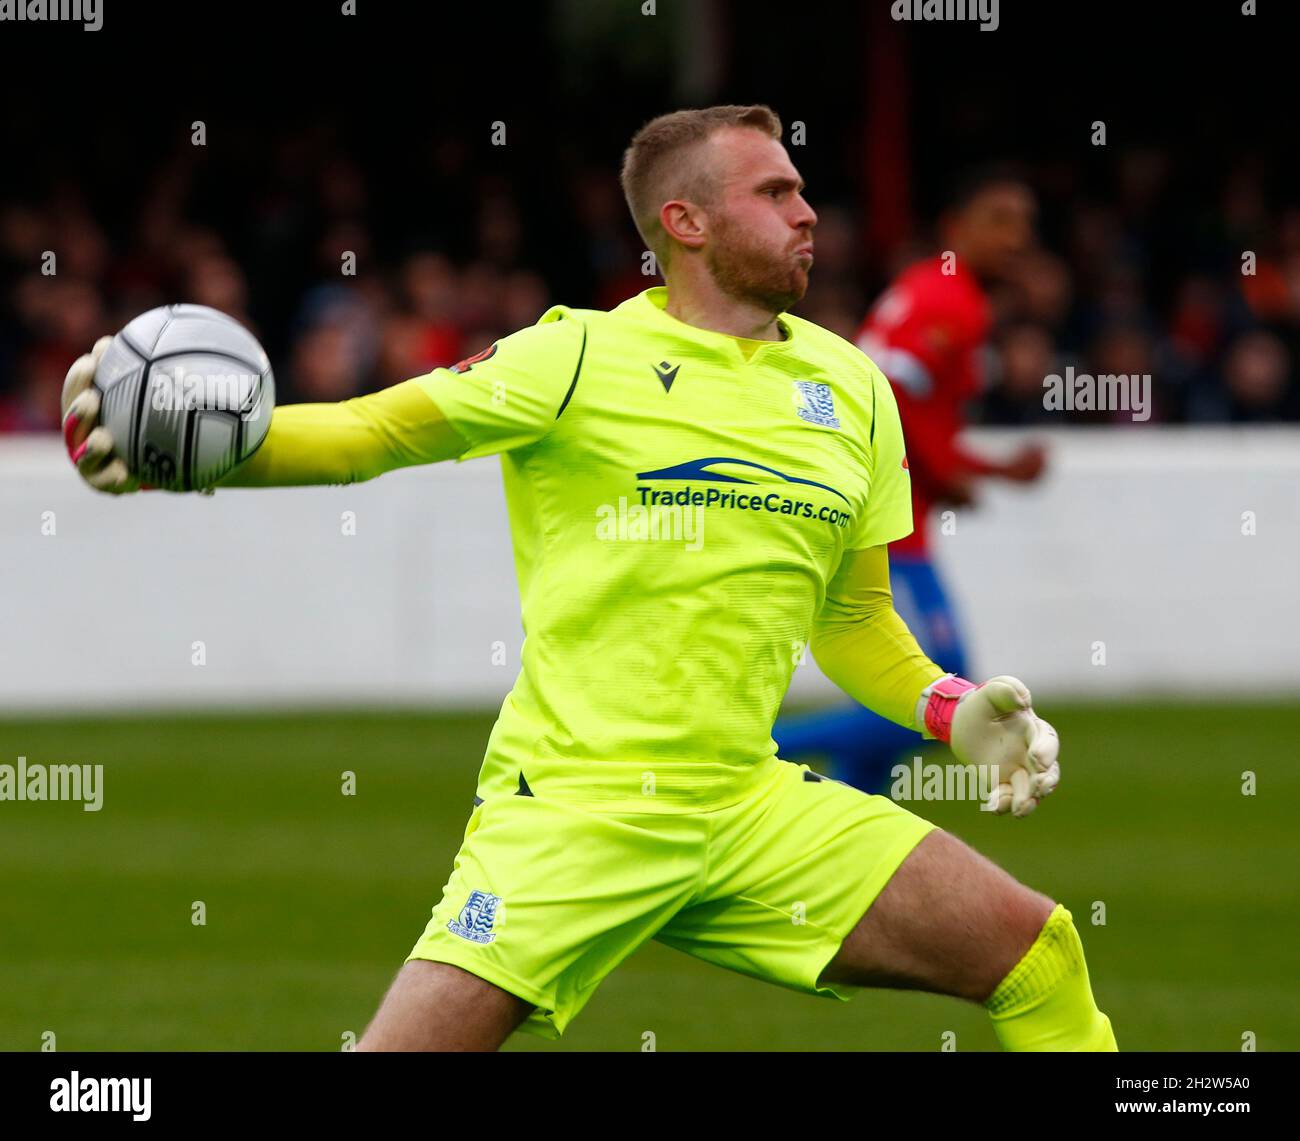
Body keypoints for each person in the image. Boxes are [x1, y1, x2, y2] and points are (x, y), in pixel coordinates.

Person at [61, 106, 1111, 1051]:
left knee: (1038, 954)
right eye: (774, 191)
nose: (807, 212)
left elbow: (855, 623)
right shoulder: (573, 356)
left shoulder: (851, 388)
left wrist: (952, 708)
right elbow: (366, 433)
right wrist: (183, 453)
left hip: (748, 809)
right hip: (573, 812)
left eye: (801, 189)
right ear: (685, 222)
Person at [775, 170, 1049, 792]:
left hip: (884, 505)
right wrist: (954, 472)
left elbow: (909, 409)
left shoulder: (932, 291)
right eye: (999, 219)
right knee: (946, 683)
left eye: (1024, 223)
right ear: (955, 229)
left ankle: (859, 820)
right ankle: (767, 748)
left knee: (904, 683)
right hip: (884, 515)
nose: (1017, 237)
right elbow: (889, 398)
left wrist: (979, 470)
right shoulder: (950, 302)